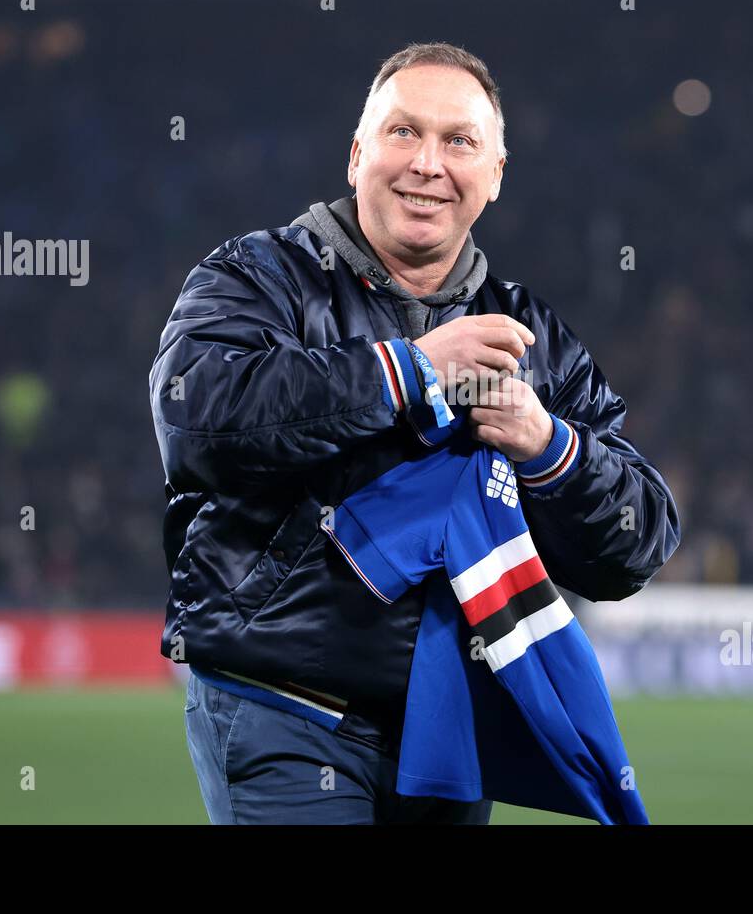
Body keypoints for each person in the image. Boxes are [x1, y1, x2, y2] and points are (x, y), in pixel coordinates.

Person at [149, 41, 681, 824]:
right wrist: (410, 370)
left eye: (458, 141)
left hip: (451, 730)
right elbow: (198, 420)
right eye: (404, 133)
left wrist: (547, 447)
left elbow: (637, 541)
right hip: (283, 707)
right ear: (358, 153)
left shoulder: (534, 337)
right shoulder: (257, 277)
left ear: (495, 174)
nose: (428, 164)